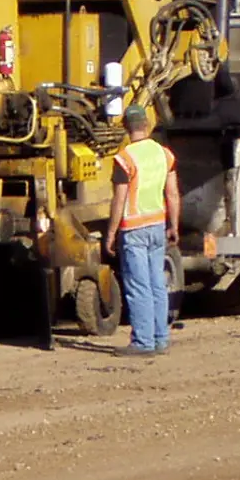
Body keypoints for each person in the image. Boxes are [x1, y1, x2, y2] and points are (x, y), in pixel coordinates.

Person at [103, 105, 180, 357]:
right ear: (147, 125)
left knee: (138, 286)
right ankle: (161, 338)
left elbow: (119, 199)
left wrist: (111, 232)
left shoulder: (124, 159)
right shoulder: (164, 154)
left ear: (126, 127)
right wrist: (174, 225)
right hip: (157, 226)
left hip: (134, 229)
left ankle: (143, 342)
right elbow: (172, 194)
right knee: (157, 282)